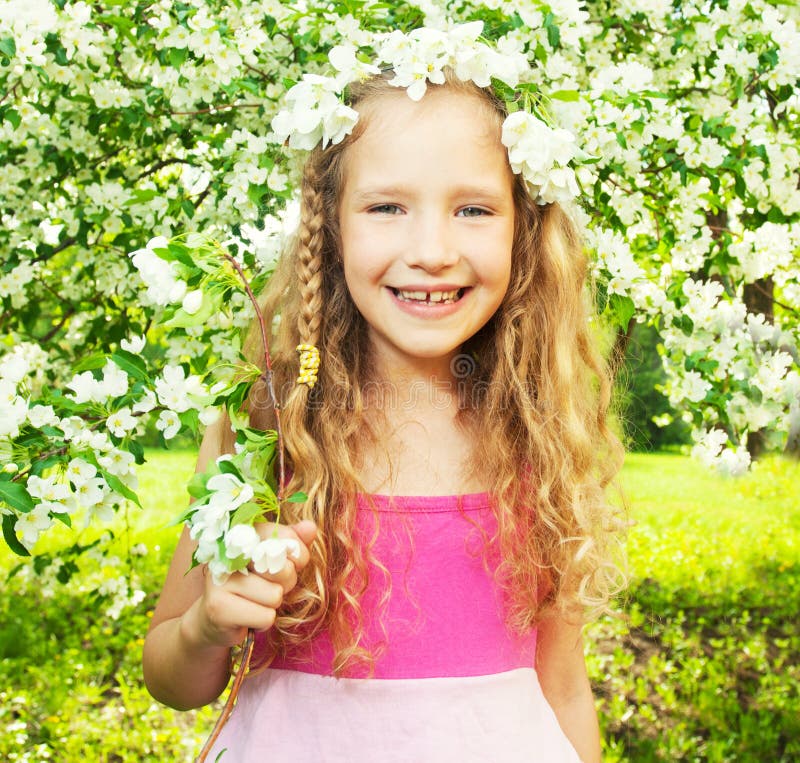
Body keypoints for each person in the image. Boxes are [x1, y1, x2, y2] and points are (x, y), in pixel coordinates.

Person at [143, 40, 625, 763]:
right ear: (331, 227)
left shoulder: (538, 431)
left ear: (523, 228)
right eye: (387, 206)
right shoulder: (270, 420)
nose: (431, 249)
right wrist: (208, 626)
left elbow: (560, 689)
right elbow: (170, 674)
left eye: (473, 209)